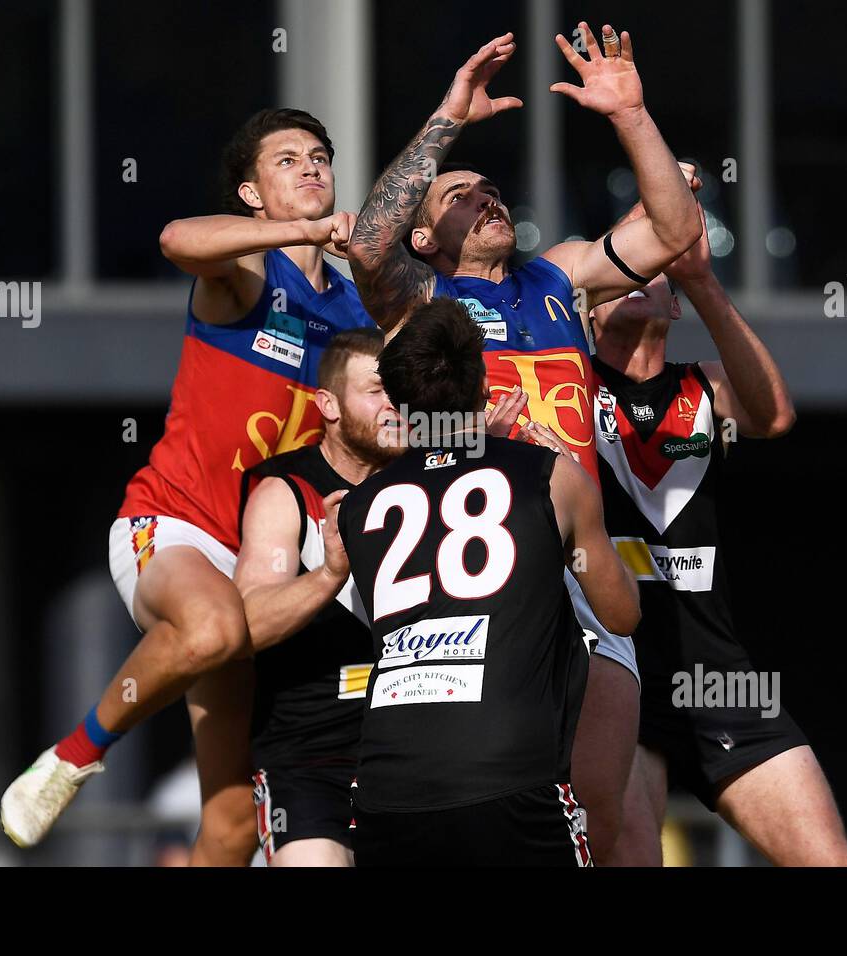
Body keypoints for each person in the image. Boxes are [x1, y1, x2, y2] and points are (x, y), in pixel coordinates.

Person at [345, 23, 701, 863]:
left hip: (580, 552)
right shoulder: (421, 297)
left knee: (597, 818)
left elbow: (676, 234)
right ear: (426, 236)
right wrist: (448, 120)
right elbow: (366, 243)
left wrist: (633, 116)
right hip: (480, 563)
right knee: (495, 799)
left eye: (490, 187)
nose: (483, 196)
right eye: (457, 195)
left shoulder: (562, 275)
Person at [1, 108, 374, 864]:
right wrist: (297, 233)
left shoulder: (353, 310)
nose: (310, 168)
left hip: (263, 563)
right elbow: (177, 239)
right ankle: (72, 756)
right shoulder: (243, 276)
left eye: (319, 157)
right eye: (286, 161)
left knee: (234, 828)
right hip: (172, 525)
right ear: (250, 192)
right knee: (212, 630)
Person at [589, 198, 847, 866]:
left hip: (715, 677)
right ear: (586, 306)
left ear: (675, 303)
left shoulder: (706, 388)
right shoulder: (562, 385)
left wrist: (703, 279)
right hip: (611, 675)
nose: (637, 274)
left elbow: (773, 415)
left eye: (655, 268)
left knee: (831, 859)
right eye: (624, 263)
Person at [337, 298, 640, 866]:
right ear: (482, 387)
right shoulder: (548, 474)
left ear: (400, 407)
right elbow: (621, 614)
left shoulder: (358, 507)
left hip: (387, 792)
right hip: (508, 781)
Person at [235, 329, 401, 866]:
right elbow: (249, 624)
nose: (394, 404)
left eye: (401, 389)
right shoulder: (285, 490)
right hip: (307, 759)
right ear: (327, 404)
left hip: (417, 754)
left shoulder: (431, 481)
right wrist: (329, 574)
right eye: (376, 390)